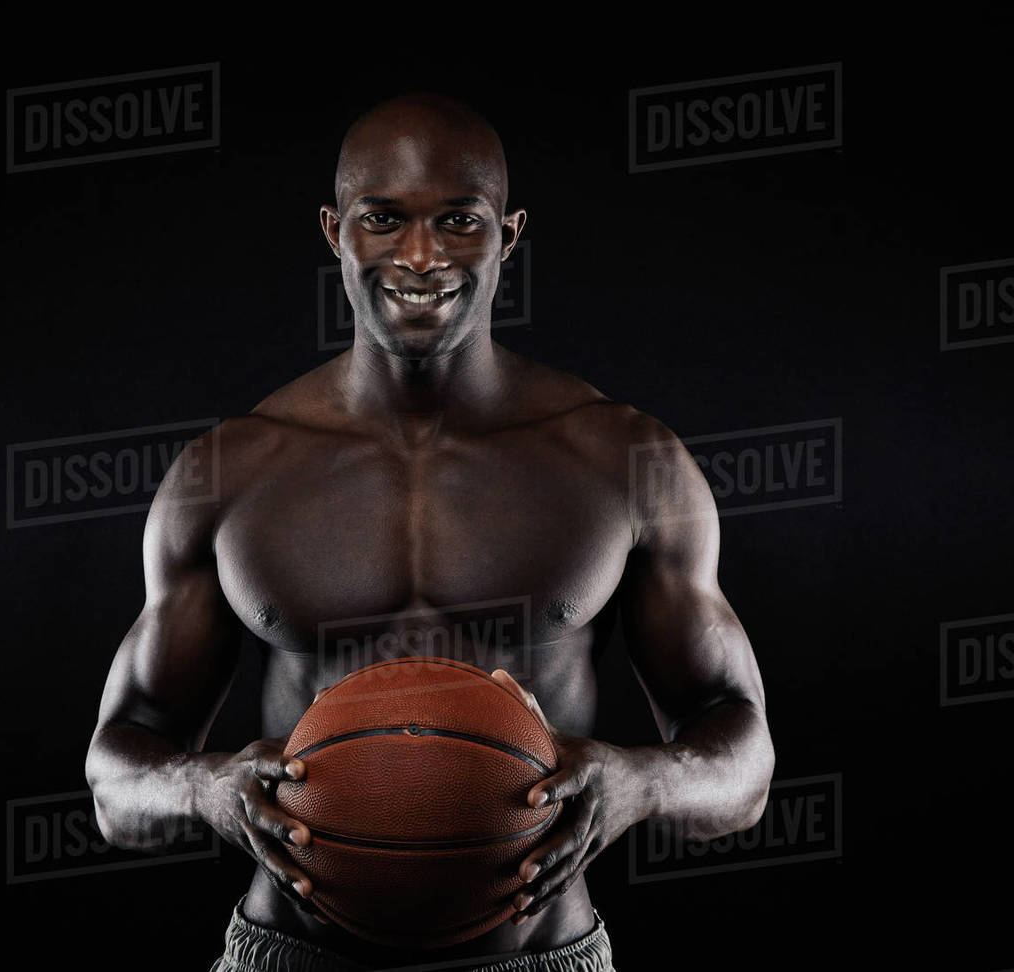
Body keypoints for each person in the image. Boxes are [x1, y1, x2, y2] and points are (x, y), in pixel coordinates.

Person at [85, 91, 775, 972]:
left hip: (539, 956)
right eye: (384, 219)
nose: (421, 255)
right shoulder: (229, 473)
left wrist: (643, 783)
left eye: (459, 221)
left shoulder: (624, 459)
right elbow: (115, 779)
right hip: (295, 956)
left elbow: (746, 764)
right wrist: (206, 789)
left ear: (508, 234)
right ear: (336, 230)